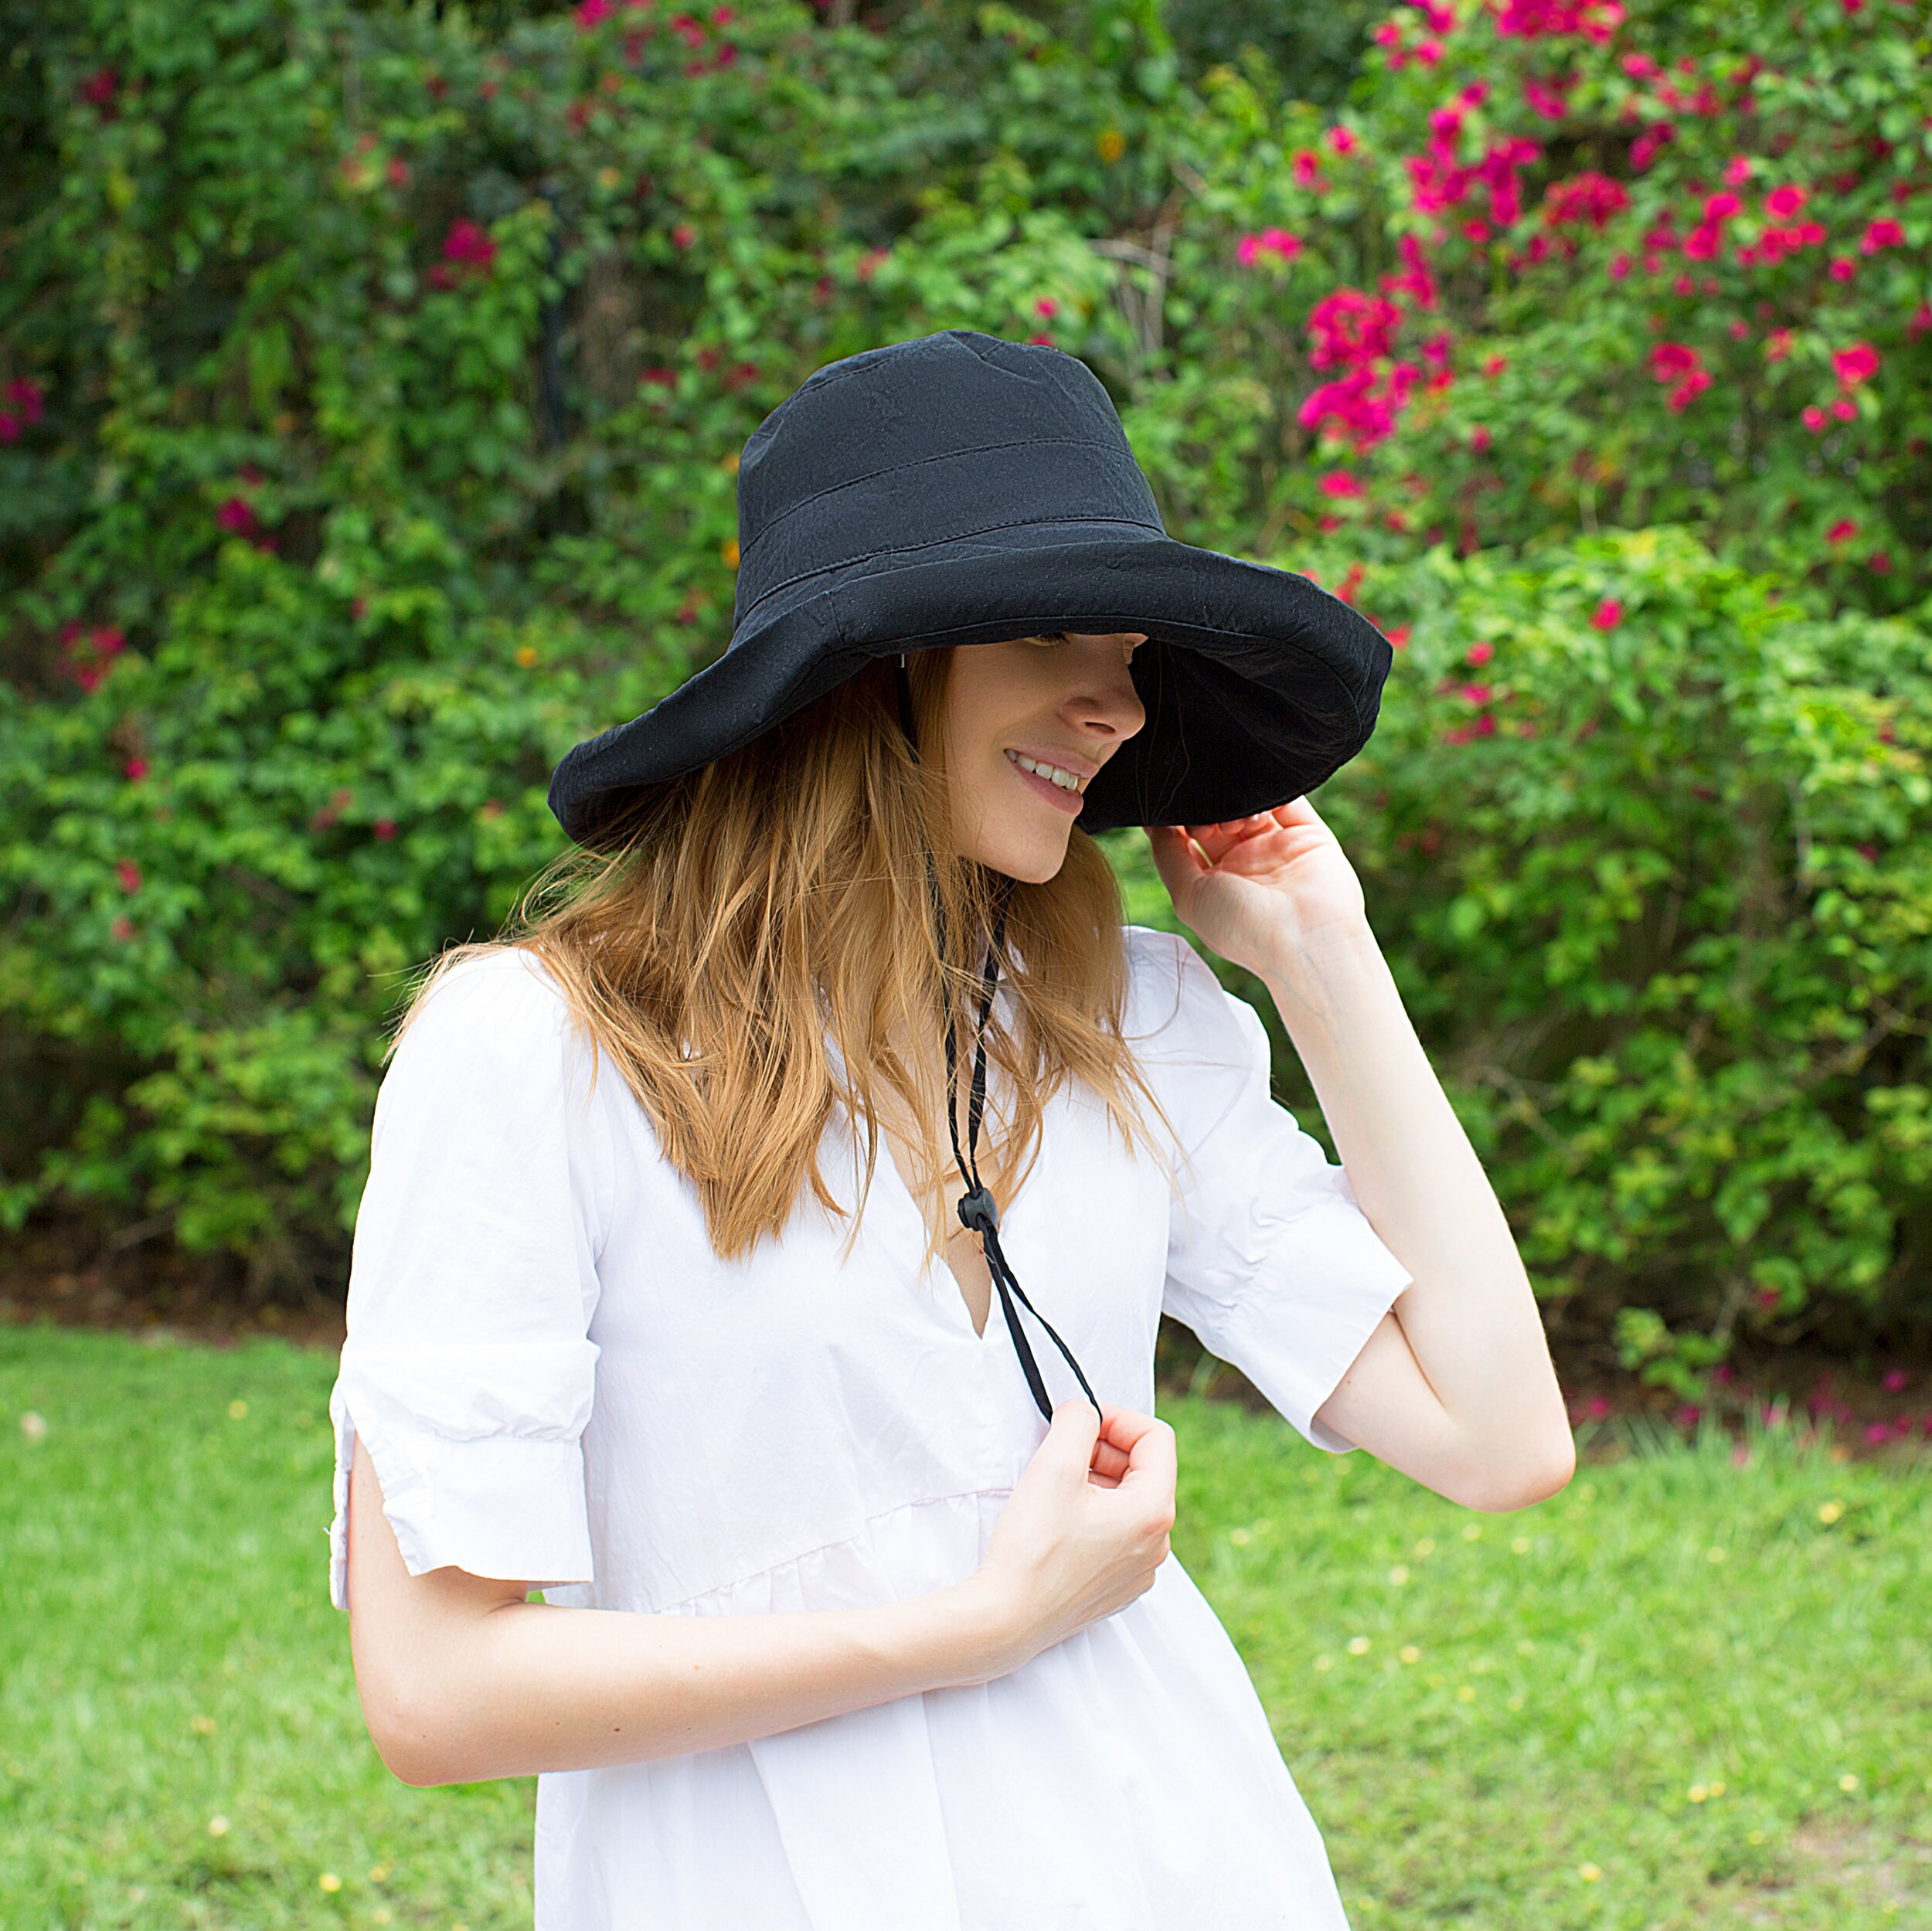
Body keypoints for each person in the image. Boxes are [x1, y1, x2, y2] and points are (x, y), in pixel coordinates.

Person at [326, 330, 1574, 1929]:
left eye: (1131, 652)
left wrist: (1324, 959)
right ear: (872, 666)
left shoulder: (1121, 1019)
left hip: (1184, 1863)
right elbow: (433, 1689)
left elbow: (1497, 1434)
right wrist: (974, 1621)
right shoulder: (534, 1051)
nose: (1118, 704)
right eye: (1058, 630)